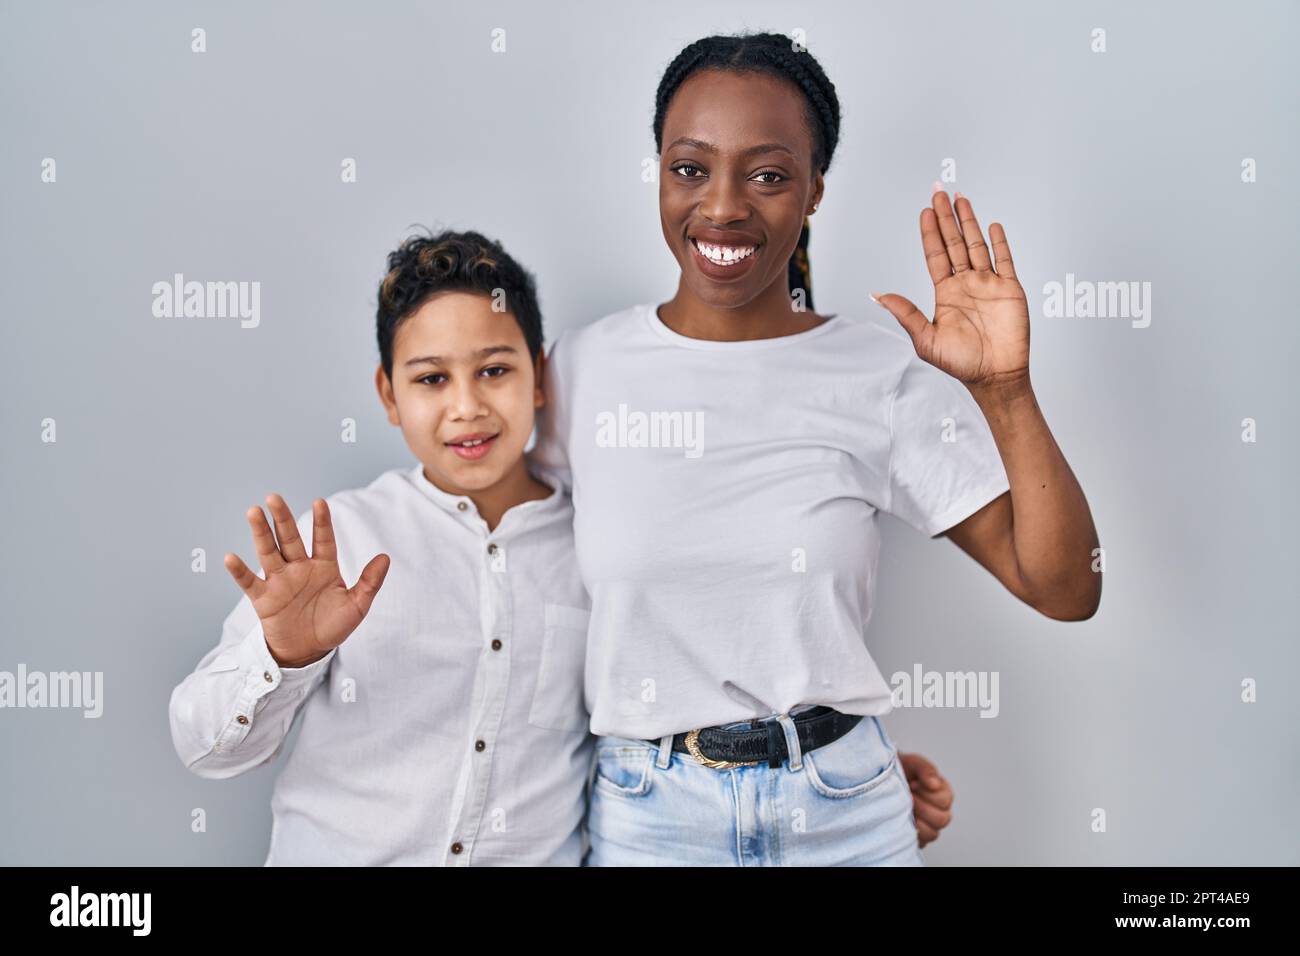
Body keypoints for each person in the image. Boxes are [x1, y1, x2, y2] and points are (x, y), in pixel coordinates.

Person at [532, 32, 1101, 866]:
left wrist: (1005, 389)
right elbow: (494, 588)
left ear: (814, 190)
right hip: (649, 821)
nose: (723, 206)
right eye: (690, 168)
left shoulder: (873, 371)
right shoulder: (580, 371)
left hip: (846, 815)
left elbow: (1064, 588)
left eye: (767, 174)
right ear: (658, 168)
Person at [167, 229, 593, 864]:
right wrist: (283, 655)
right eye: (431, 380)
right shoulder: (339, 545)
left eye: (495, 370)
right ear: (390, 395)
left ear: (538, 376)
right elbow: (205, 749)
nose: (467, 406)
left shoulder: (595, 546)